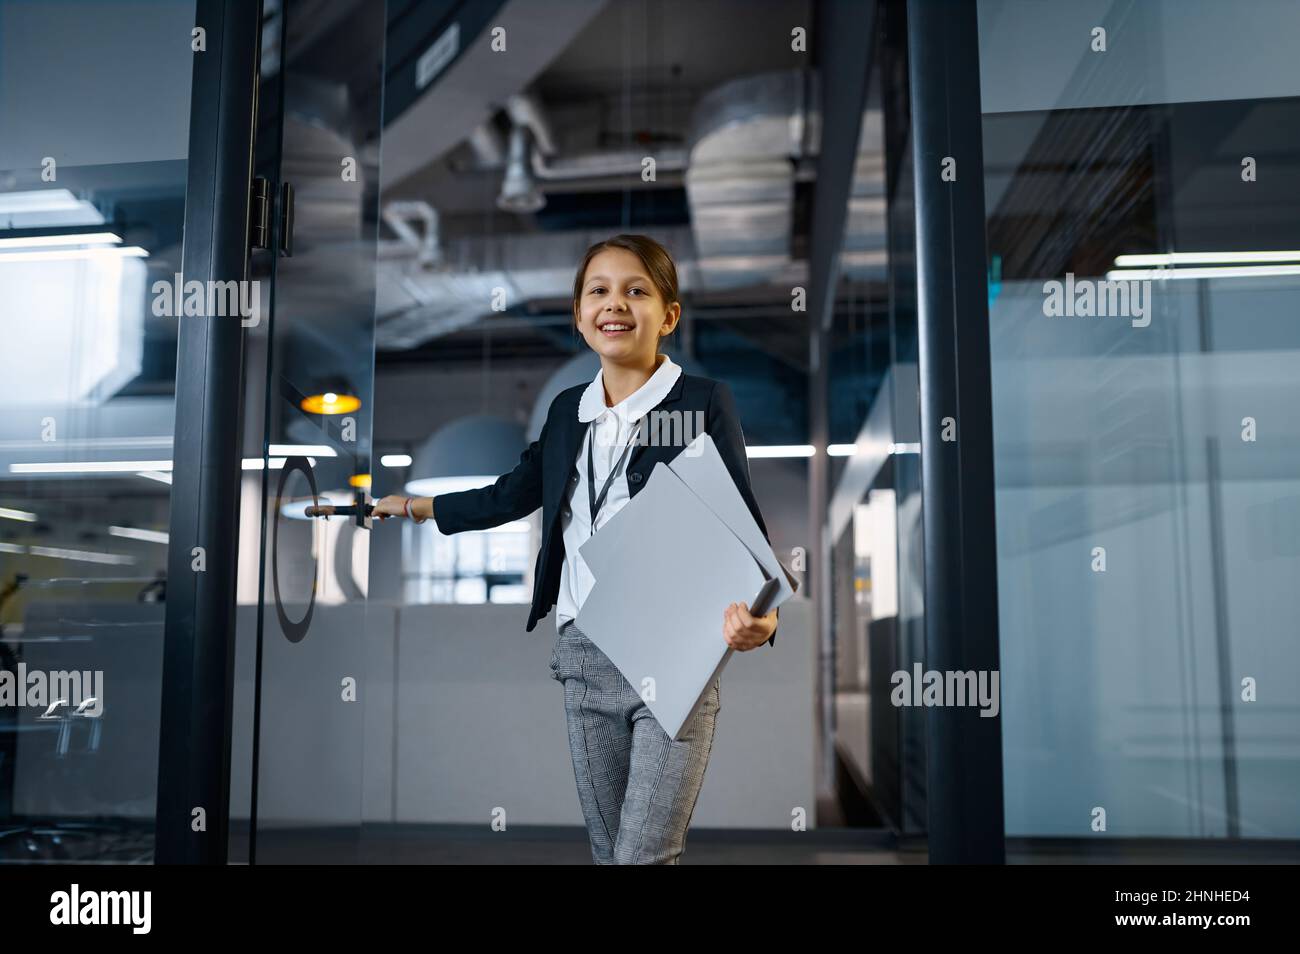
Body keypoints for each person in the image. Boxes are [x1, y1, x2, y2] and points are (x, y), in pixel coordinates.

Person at [373, 233, 778, 864]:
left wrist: (765, 614)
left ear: (668, 316)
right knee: (608, 852)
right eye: (599, 290)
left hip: (672, 653)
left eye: (636, 290)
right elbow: (515, 492)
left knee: (644, 857)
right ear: (580, 315)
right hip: (583, 652)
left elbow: (742, 526)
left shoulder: (700, 402)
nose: (615, 303)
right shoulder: (568, 411)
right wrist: (419, 506)